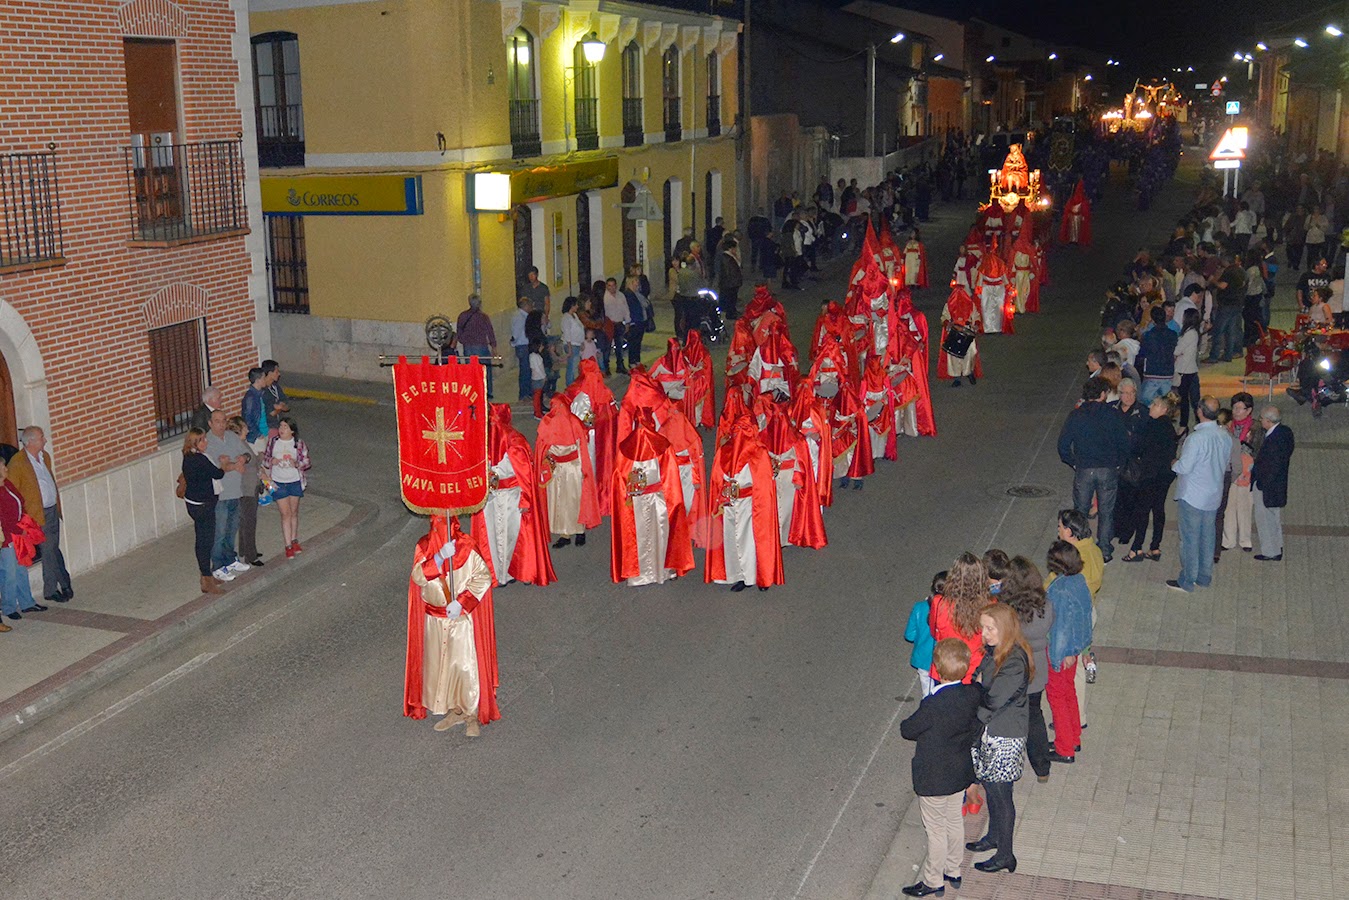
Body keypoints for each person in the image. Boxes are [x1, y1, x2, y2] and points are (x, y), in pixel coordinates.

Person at [898, 638, 982, 898]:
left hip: (934, 776)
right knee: (954, 820)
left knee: (935, 829)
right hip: (959, 771)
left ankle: (933, 880)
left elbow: (908, 729)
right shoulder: (972, 694)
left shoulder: (934, 704)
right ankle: (954, 869)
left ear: (937, 668)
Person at [403, 515, 499, 735]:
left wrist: (463, 602)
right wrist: (437, 559)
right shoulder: (423, 546)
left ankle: (470, 713)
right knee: (440, 667)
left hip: (459, 619)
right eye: (436, 526)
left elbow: (482, 577)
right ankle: (454, 711)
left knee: (463, 666)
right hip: (433, 620)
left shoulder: (467, 546)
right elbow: (418, 577)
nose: (441, 530)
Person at [965, 602, 1032, 875]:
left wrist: (980, 687)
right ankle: (993, 836)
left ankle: (1006, 854)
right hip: (993, 733)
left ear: (1004, 629)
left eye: (990, 628)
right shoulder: (997, 652)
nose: (984, 633)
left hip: (1004, 736)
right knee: (992, 790)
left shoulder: (1014, 660)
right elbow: (977, 680)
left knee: (1001, 796)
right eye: (983, 627)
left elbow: (991, 699)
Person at [470, 404, 556, 588]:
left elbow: (523, 474)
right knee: (507, 537)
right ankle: (506, 574)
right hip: (502, 497)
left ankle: (507, 574)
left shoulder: (489, 438)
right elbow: (525, 473)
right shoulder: (515, 440)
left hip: (503, 497)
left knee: (504, 537)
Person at [704, 416, 784, 592]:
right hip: (731, 505)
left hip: (751, 505)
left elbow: (764, 484)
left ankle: (759, 575)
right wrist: (722, 495)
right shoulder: (724, 451)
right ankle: (739, 575)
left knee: (751, 541)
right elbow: (717, 478)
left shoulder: (759, 453)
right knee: (733, 540)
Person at [1057, 378, 1129, 562]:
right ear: (1103, 394)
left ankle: (1079, 548)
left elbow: (1063, 445)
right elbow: (1124, 443)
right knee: (1106, 510)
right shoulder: (1113, 415)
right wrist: (1118, 462)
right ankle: (1104, 550)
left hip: (1084, 469)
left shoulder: (1076, 415)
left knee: (1080, 512)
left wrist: (1074, 463)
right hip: (1108, 469)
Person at [1167, 396, 1233, 592]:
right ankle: (1204, 577)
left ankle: (1187, 580)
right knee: (1208, 536)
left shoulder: (1195, 439)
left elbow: (1185, 467)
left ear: (1199, 411)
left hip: (1193, 495)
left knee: (1189, 539)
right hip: (1213, 494)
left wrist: (1174, 464)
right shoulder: (1225, 436)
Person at [999, 556, 1052, 783]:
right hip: (1038, 667)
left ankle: (1008, 765)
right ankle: (1042, 768)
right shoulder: (1046, 604)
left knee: (1010, 717)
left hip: (1014, 669)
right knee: (1034, 715)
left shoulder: (1008, 611)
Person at [8, 426, 73, 604]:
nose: (45, 440)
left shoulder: (45, 457)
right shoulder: (17, 463)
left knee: (52, 548)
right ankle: (52, 589)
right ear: (30, 442)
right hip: (37, 514)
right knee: (49, 548)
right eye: (41, 437)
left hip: (52, 509)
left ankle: (64, 583)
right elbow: (13, 491)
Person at [1043, 541, 1093, 764]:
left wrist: (1056, 658)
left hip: (1060, 651)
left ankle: (1064, 747)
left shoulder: (1060, 589)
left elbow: (1060, 629)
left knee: (1056, 697)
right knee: (1069, 692)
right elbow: (1085, 616)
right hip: (1074, 649)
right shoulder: (1079, 581)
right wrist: (1082, 648)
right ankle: (1073, 737)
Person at [536, 395, 602, 549]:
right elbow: (542, 446)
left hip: (573, 466)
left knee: (574, 500)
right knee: (559, 501)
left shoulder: (569, 422)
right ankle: (564, 533)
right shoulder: (551, 422)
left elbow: (582, 446)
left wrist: (583, 468)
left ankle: (580, 531)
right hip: (557, 468)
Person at [1122, 395, 1179, 562]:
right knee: (1158, 508)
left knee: (1142, 510)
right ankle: (1155, 547)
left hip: (1150, 474)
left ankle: (1136, 548)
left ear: (1164, 410)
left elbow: (1139, 448)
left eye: (1155, 405)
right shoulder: (1169, 427)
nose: (1151, 407)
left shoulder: (1151, 425)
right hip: (1164, 474)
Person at [203, 409, 252, 583]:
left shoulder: (231, 436)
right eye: (217, 421)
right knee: (220, 532)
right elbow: (216, 467)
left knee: (232, 529)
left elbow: (247, 453)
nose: (221, 424)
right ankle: (217, 566)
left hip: (235, 491)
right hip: (220, 495)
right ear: (210, 423)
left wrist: (242, 459)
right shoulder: (208, 442)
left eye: (223, 420)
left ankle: (230, 559)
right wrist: (232, 465)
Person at [927, 552, 988, 682]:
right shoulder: (990, 605)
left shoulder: (939, 603)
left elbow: (934, 632)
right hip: (975, 669)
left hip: (946, 667)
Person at [180, 427, 226, 595]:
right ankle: (206, 579)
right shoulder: (200, 459)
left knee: (202, 538)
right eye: (202, 440)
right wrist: (223, 465)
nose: (206, 442)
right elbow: (218, 474)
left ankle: (207, 574)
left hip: (193, 503)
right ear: (195, 443)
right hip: (203, 506)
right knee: (205, 541)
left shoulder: (188, 457)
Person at [0, 454, 43, 624]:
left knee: (21, 569)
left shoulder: (7, 484)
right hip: (8, 539)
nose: (6, 469)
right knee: (8, 573)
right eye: (3, 467)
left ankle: (26, 602)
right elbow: (3, 519)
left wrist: (24, 524)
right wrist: (19, 530)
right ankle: (9, 606)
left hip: (18, 535)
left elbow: (20, 501)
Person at [263, 416, 311, 560]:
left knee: (294, 512)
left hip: (294, 481)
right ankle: (288, 545)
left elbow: (306, 462)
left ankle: (294, 540)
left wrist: (296, 463)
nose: (282, 429)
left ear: (292, 431)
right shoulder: (273, 442)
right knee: (285, 513)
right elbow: (265, 459)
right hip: (278, 482)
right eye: (281, 426)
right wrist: (273, 461)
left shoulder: (298, 444)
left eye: (285, 427)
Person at [1251, 405, 1294, 561]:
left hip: (1267, 487)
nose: (1260, 421)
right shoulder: (1285, 432)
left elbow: (1271, 466)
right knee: (1274, 517)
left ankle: (1270, 551)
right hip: (1278, 485)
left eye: (1262, 418)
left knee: (1264, 519)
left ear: (1268, 421)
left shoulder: (1273, 440)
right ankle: (1278, 545)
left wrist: (1261, 484)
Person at [1221, 393, 1258, 554]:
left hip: (1246, 474)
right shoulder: (1228, 425)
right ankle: (1228, 539)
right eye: (1234, 407)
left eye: (1239, 408)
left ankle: (1245, 539)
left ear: (1248, 410)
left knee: (1245, 507)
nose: (1235, 411)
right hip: (1229, 470)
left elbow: (1257, 450)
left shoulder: (1255, 428)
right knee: (1229, 507)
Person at [227, 416, 264, 567]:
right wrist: (260, 457)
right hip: (246, 489)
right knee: (249, 521)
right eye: (245, 428)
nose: (248, 430)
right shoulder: (239, 446)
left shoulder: (241, 443)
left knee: (245, 521)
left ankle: (244, 550)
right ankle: (250, 555)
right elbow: (248, 463)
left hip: (249, 486)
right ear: (239, 430)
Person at [905, 571, 943, 697]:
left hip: (923, 658)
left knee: (926, 691)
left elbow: (909, 634)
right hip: (944, 658)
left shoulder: (919, 607)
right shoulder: (951, 610)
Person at [455, 293, 498, 399]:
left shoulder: (463, 316)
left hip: (468, 347)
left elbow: (459, 330)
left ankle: (473, 391)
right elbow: (490, 332)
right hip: (482, 347)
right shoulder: (483, 317)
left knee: (471, 371)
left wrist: (463, 340)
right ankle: (487, 392)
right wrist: (494, 346)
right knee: (485, 370)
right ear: (479, 304)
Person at [1206, 253, 1246, 363]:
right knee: (1231, 330)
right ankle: (1228, 354)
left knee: (1219, 330)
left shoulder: (1229, 271)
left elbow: (1222, 286)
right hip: (1237, 304)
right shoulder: (1241, 270)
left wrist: (1213, 280)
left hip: (1226, 304)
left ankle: (1214, 356)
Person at [1135, 306, 1178, 404]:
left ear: (1153, 320)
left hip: (1152, 372)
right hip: (1168, 372)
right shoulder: (1173, 334)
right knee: (1166, 403)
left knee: (1147, 402)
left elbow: (1142, 353)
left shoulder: (1148, 336)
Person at [1173, 307, 1202, 429]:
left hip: (1184, 370)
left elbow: (1177, 350)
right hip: (1190, 369)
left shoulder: (1189, 334)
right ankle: (1196, 423)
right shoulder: (1193, 332)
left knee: (1184, 399)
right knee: (1192, 399)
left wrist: (1177, 353)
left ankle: (1184, 425)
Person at [510, 297, 533, 401]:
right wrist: (514, 343)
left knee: (527, 370)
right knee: (525, 370)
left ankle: (527, 392)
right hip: (522, 346)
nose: (531, 307)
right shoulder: (519, 317)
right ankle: (524, 393)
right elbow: (516, 332)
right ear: (525, 306)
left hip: (524, 345)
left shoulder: (523, 316)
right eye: (530, 305)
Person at [560, 296, 585, 386]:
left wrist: (582, 342)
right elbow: (567, 333)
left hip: (577, 343)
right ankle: (570, 384)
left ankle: (574, 383)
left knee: (575, 365)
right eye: (576, 304)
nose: (577, 306)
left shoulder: (574, 316)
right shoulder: (566, 318)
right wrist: (569, 348)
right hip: (571, 344)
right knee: (571, 366)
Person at [718, 238, 743, 320]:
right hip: (730, 283)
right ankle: (730, 314)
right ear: (731, 248)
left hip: (732, 283)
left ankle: (733, 311)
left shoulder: (729, 257)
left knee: (732, 298)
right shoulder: (727, 258)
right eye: (734, 248)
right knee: (730, 299)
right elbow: (729, 272)